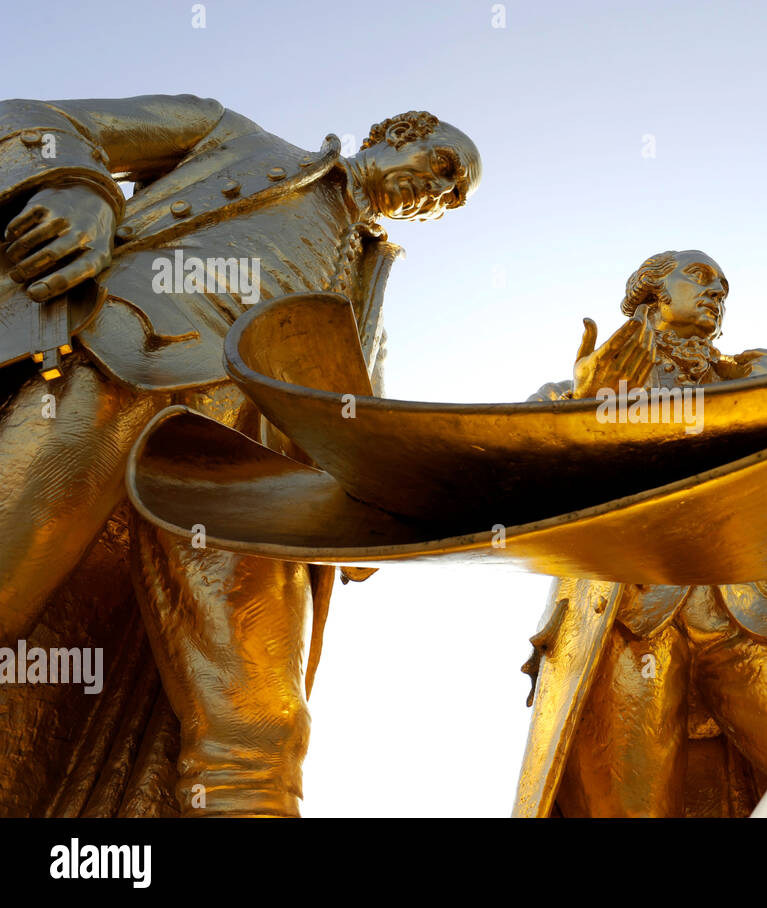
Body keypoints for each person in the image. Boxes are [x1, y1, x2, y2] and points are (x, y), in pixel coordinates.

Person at [0, 94, 480, 816]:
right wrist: (80, 192)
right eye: (440, 165)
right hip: (117, 372)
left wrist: (385, 507)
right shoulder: (233, 135)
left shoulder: (366, 301)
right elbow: (35, 119)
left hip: (244, 477)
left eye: (452, 196)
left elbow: (365, 436)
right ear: (392, 135)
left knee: (262, 725)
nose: (438, 192)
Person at [515, 250, 767, 817]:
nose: (717, 290)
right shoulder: (573, 389)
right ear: (651, 291)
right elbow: (505, 481)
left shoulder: (751, 375)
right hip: (626, 620)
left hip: (759, 609)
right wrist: (582, 410)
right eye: (698, 277)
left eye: (722, 286)